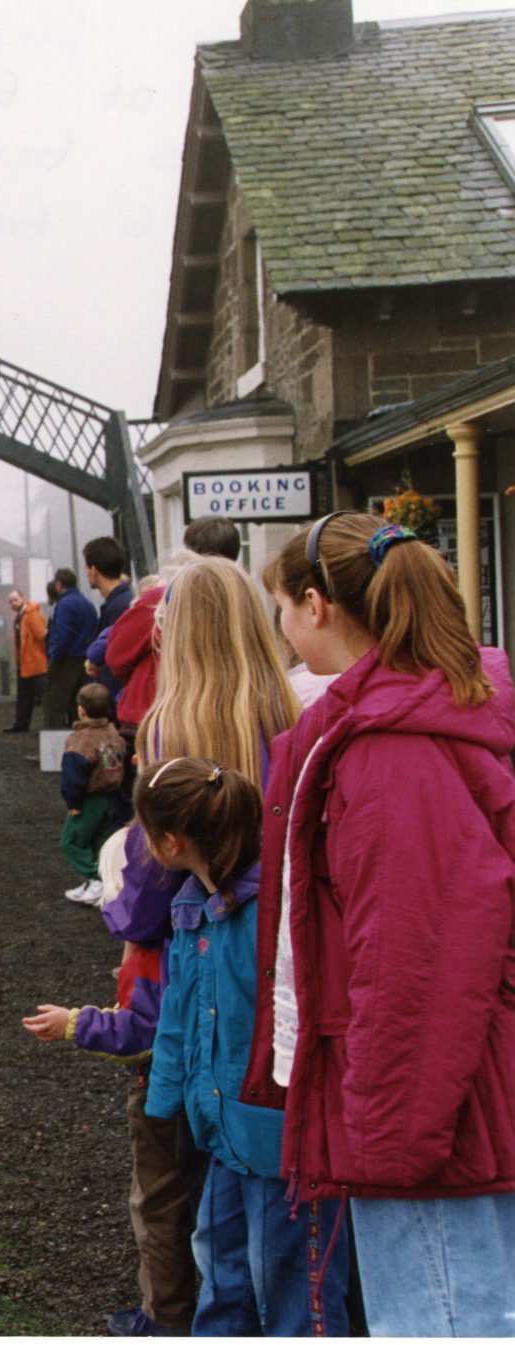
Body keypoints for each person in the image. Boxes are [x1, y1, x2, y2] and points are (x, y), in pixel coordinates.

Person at [256, 512, 515, 1337]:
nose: (283, 629)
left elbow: (420, 958)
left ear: (316, 605)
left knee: (439, 1318)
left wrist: (386, 1137)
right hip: (447, 1101)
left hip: (427, 1125)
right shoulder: (409, 719)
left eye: (283, 609)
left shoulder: (385, 752)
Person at [93, 555, 305, 1338]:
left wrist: (116, 906)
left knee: (172, 1165)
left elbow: (149, 893)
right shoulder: (291, 710)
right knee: (258, 1180)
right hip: (276, 962)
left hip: (185, 965)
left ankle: (170, 1316)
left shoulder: (170, 725)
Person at [136, 757, 350, 1335]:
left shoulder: (273, 915)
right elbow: (177, 1023)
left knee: (291, 1283)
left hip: (283, 1141)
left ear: (171, 842)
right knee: (223, 1263)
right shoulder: (191, 909)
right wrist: (165, 1108)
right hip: (225, 1130)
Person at [102, 518, 243, 733]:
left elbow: (117, 655)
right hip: (222, 711)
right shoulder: (242, 599)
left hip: (158, 711)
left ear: (188, 550)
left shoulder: (163, 599)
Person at [59, 681, 128, 903]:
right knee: (100, 842)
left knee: (71, 842)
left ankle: (95, 879)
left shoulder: (80, 741)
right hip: (110, 796)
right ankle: (99, 881)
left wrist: (73, 802)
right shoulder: (113, 734)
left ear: (82, 709)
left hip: (89, 800)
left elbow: (73, 776)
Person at [42, 567, 96, 727]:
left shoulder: (64, 604)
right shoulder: (88, 603)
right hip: (85, 660)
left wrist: (54, 658)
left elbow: (62, 635)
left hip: (66, 660)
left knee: (55, 705)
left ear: (59, 584)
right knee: (79, 706)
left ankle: (53, 745)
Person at [80, 535, 134, 696]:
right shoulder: (124, 601)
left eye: (87, 567)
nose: (86, 571)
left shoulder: (119, 607)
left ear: (94, 570)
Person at [5, 589, 47, 733]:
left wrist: (41, 656)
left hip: (35, 663)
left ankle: (52, 725)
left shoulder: (31, 614)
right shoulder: (20, 617)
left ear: (22, 598)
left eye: (15, 600)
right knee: (23, 695)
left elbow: (41, 636)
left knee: (43, 694)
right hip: (24, 663)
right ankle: (21, 724)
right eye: (11, 601)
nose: (13, 603)